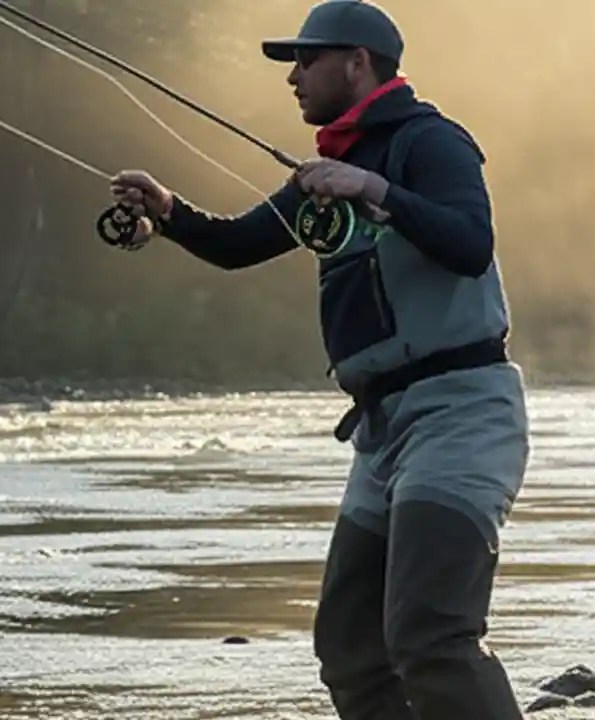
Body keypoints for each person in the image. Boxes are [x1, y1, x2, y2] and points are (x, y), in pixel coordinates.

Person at [109, 1, 530, 719]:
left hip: (460, 413)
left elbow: (470, 243)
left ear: (357, 63)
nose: (294, 77)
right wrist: (170, 213)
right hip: (380, 431)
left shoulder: (430, 143)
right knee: (349, 649)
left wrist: (376, 192)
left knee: (431, 635)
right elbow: (239, 244)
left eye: (307, 60)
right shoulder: (329, 167)